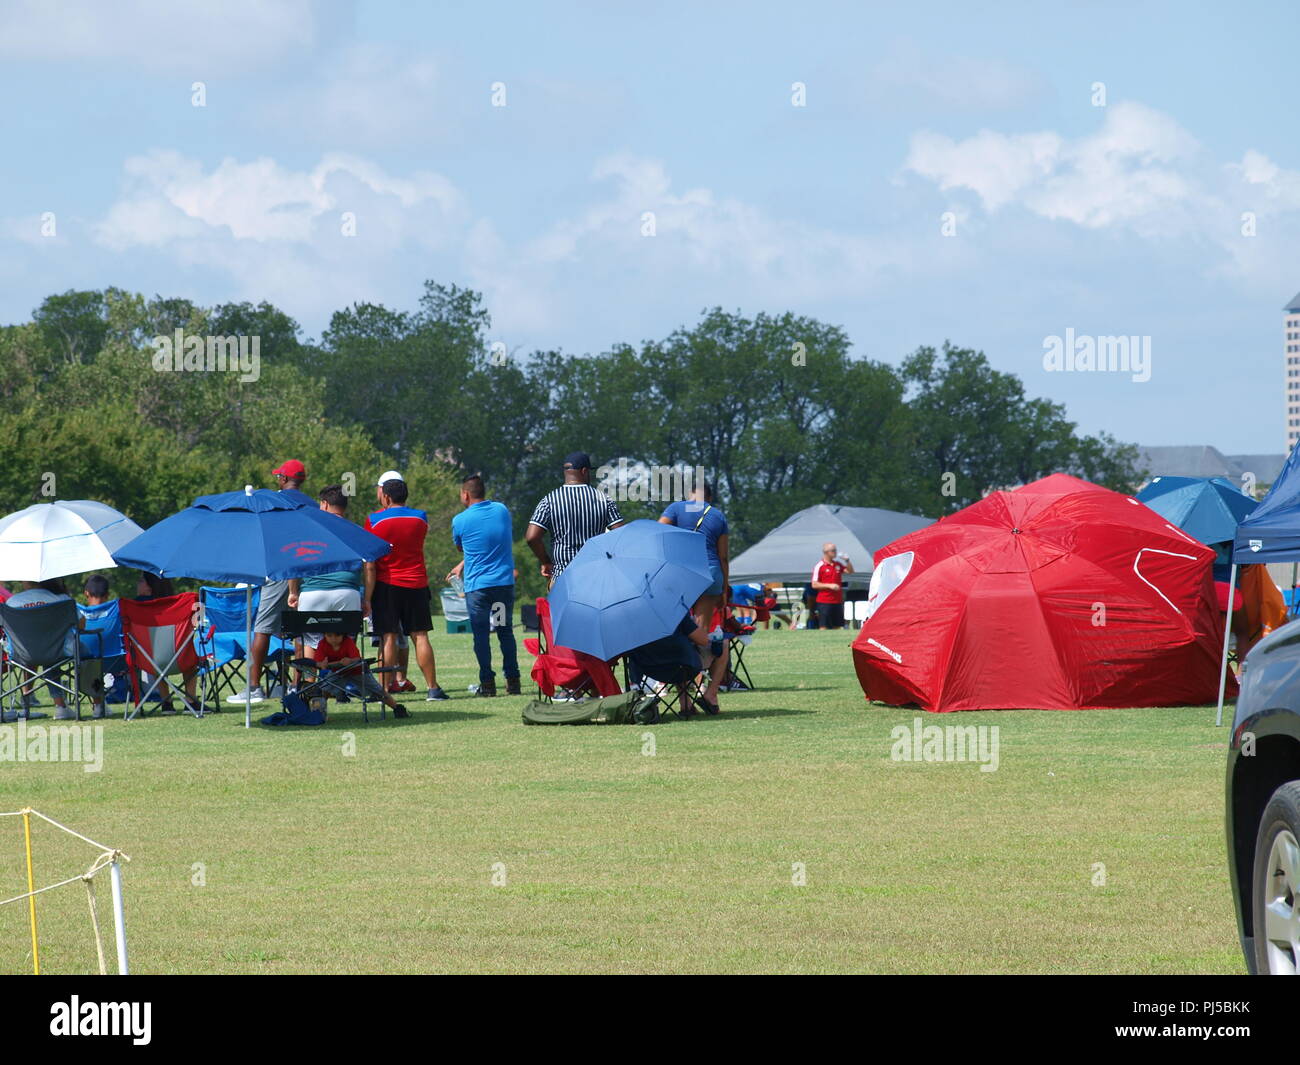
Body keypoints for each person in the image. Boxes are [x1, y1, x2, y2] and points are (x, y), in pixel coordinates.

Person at [228, 460, 307, 705]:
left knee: (262, 626)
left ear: (283, 479)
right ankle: (297, 684)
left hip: (281, 568)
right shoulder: (310, 504)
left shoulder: (274, 502)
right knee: (299, 628)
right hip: (308, 568)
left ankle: (253, 686)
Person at [364, 477, 448, 702]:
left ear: (386, 497)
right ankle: (433, 688)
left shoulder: (374, 521)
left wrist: (367, 597)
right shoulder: (420, 518)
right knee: (420, 636)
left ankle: (381, 691)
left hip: (387, 585)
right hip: (417, 583)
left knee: (388, 637)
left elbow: (370, 564)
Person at [447, 474, 520, 698]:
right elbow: (491, 544)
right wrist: (462, 565)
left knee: (481, 636)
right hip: (502, 585)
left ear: (466, 494)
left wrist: (461, 564)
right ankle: (513, 681)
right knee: (504, 632)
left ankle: (487, 683)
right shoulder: (502, 511)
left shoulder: (460, 520)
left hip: (478, 588)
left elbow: (465, 548)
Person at [7, 578, 107, 720]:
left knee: (48, 656)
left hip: (23, 653)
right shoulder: (61, 599)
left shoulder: (12, 602)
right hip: (61, 650)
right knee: (88, 656)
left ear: (26, 581)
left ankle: (60, 706)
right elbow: (82, 625)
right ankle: (98, 705)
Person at [526, 452, 624, 584]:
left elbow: (532, 537)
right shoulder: (603, 499)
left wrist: (546, 562)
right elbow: (621, 535)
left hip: (562, 579)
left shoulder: (549, 500)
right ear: (584, 471)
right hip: (596, 578)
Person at [287, 485, 364, 652]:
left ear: (324, 504)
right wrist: (367, 598)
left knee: (311, 644)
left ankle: (309, 678)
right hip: (347, 593)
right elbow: (370, 565)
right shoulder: (356, 531)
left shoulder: (309, 530)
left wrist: (293, 592)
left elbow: (295, 563)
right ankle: (341, 677)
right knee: (346, 644)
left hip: (313, 594)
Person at [627, 609, 727, 717]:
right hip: (683, 667)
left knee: (675, 653)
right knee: (724, 643)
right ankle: (710, 695)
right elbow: (702, 640)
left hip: (651, 670)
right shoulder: (675, 612)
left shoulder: (632, 619)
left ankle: (686, 703)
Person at [311, 630, 405, 719]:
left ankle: (397, 708)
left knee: (378, 691)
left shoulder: (348, 642)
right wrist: (325, 664)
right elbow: (318, 663)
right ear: (324, 635)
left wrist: (350, 661)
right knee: (324, 689)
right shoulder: (322, 644)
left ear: (343, 635)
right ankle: (318, 713)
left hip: (358, 671)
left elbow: (356, 659)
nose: (333, 639)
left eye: (337, 635)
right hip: (338, 672)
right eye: (329, 636)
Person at [811, 542, 855, 630]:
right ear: (826, 552)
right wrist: (829, 586)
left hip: (837, 601)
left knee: (837, 625)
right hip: (824, 601)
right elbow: (814, 584)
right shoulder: (820, 566)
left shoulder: (837, 565)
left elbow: (850, 571)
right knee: (824, 626)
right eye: (833, 551)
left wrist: (847, 561)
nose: (835, 552)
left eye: (835, 550)